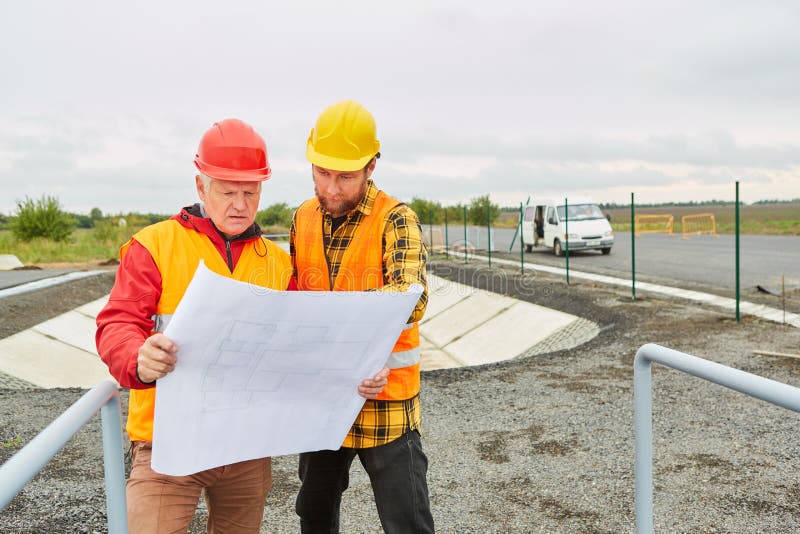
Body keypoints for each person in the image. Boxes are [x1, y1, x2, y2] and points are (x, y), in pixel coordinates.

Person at [96, 118, 389, 533]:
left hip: (246, 450)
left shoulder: (276, 262)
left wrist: (355, 374)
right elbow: (118, 323)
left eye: (250, 192)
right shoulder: (156, 246)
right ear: (201, 187)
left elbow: (307, 346)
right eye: (227, 191)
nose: (239, 204)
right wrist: (137, 357)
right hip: (166, 446)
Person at [290, 100, 435, 533]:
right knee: (313, 516)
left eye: (346, 176)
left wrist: (355, 351)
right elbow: (295, 296)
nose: (331, 187)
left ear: (371, 166)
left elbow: (411, 296)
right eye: (322, 172)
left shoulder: (396, 219)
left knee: (407, 521)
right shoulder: (302, 217)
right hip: (324, 402)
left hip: (385, 403)